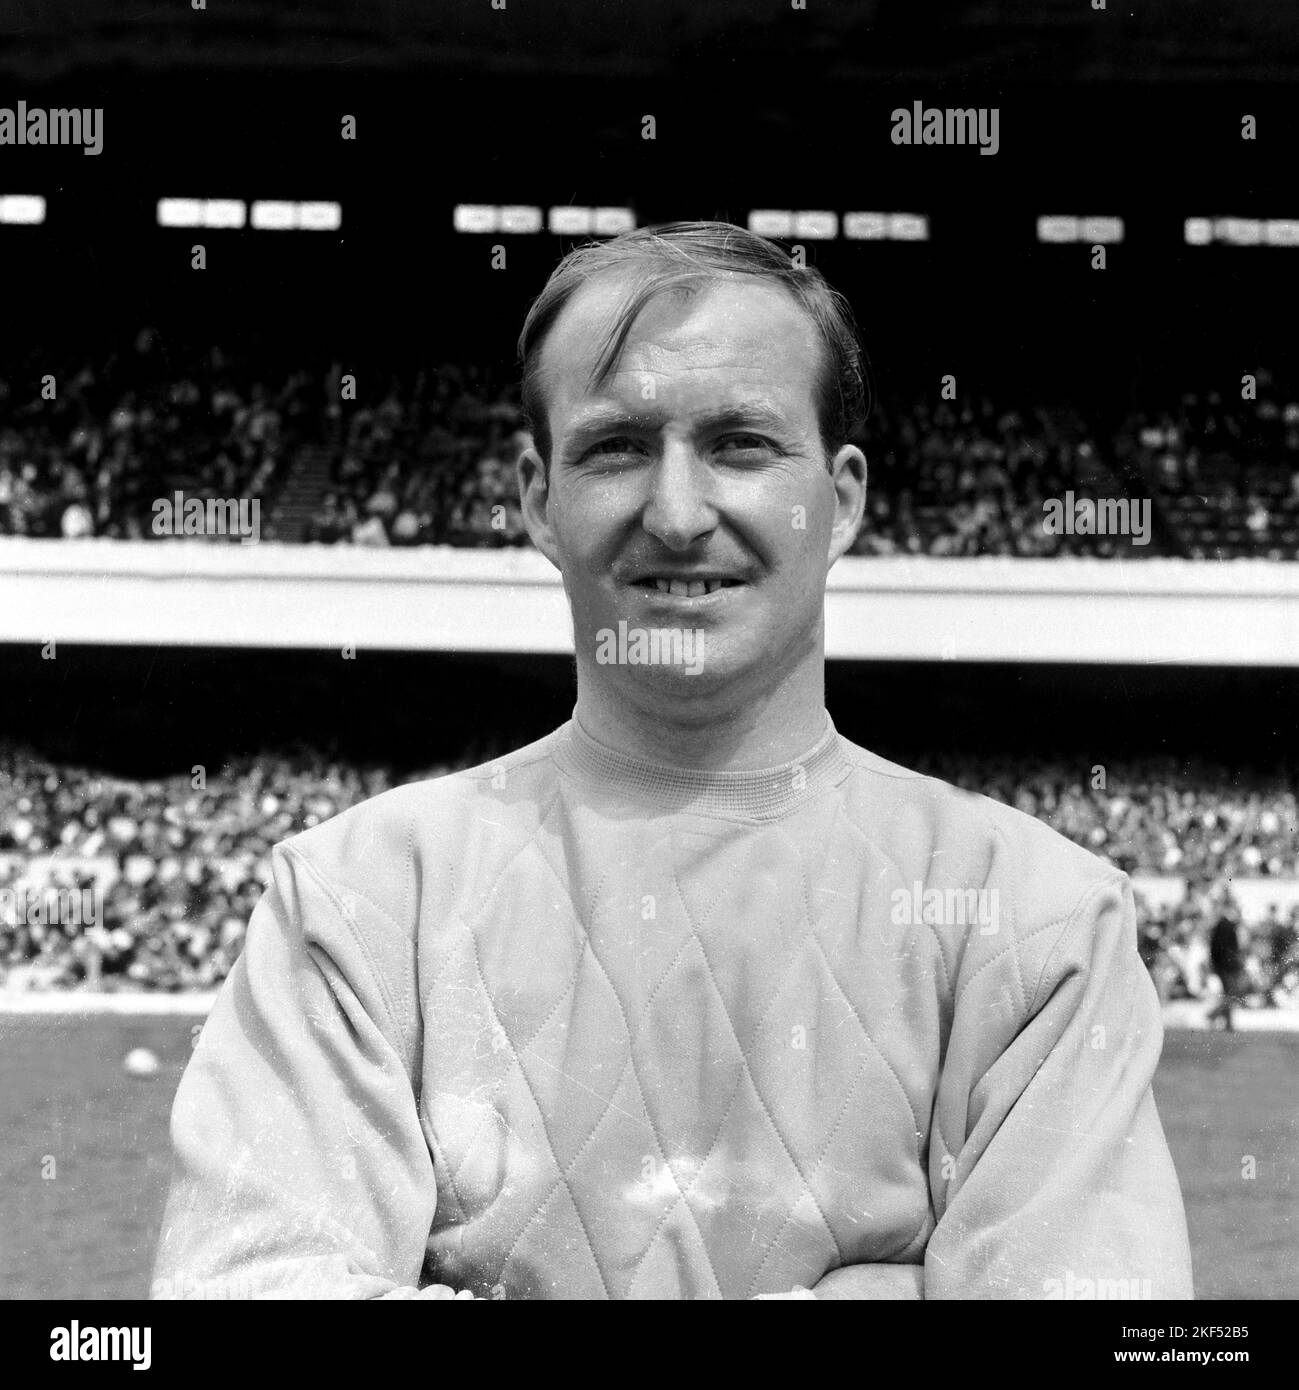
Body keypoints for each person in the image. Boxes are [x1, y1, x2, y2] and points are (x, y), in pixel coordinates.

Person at [152, 221, 1193, 1300]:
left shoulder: (1038, 928)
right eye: (616, 447)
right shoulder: (357, 907)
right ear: (537, 496)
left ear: (840, 500)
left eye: (741, 444)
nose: (679, 513)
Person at [1207, 908, 1245, 1031]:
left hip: (1223, 966)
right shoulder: (1226, 927)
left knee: (1229, 993)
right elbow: (1224, 950)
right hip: (1226, 967)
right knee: (1231, 993)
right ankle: (1214, 1015)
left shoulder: (1222, 926)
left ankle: (1227, 1022)